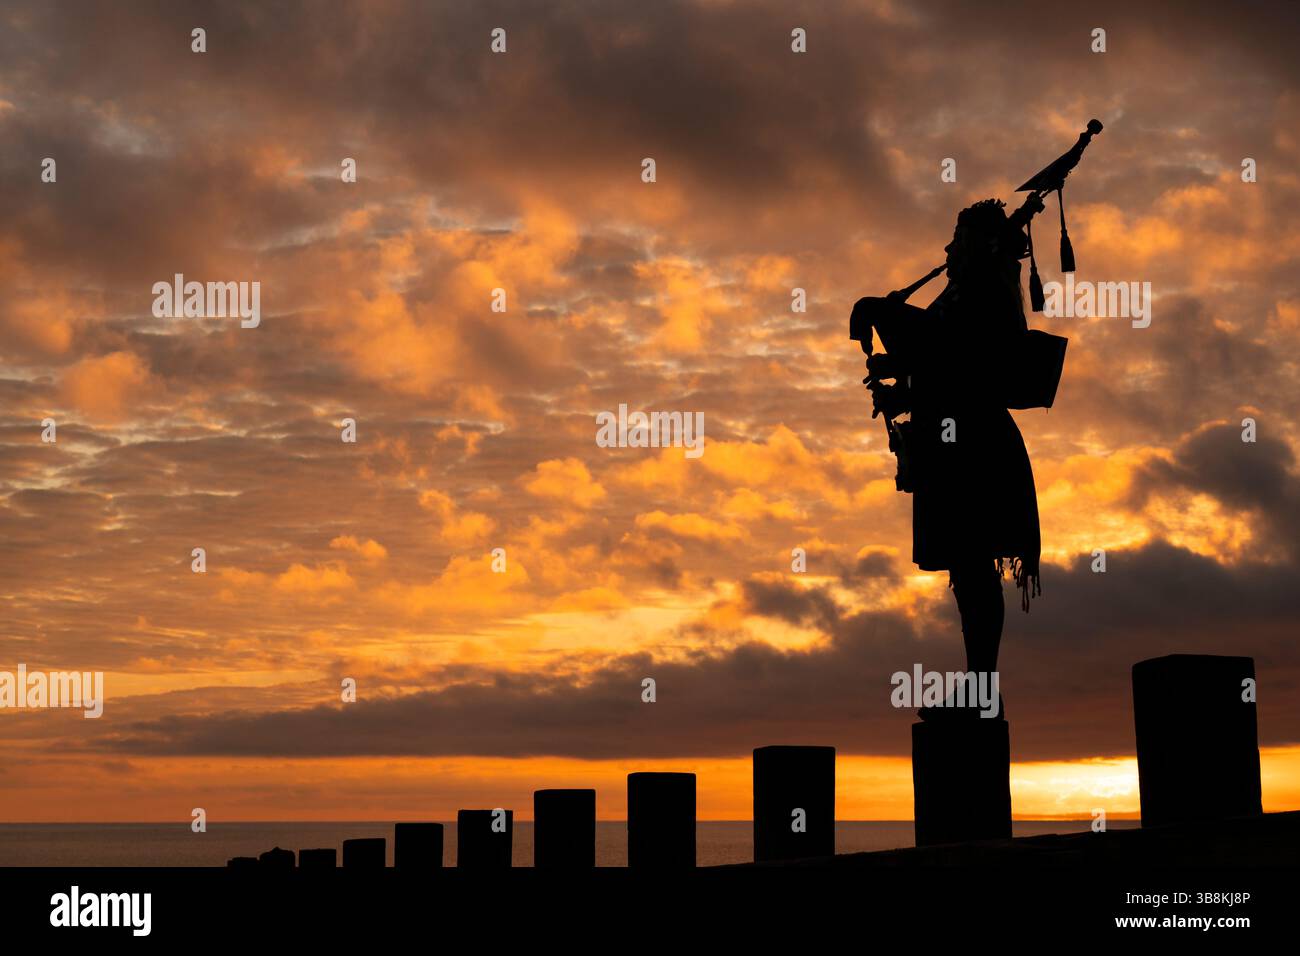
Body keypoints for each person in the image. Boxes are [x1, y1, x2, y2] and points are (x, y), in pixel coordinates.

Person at [855, 198, 1043, 719]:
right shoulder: (962, 294)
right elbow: (942, 365)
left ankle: (982, 689)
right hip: (954, 443)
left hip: (976, 446)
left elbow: (959, 360)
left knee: (975, 564)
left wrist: (885, 313)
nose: (946, 248)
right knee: (967, 567)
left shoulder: (989, 297)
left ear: (977, 246)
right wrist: (902, 393)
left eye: (956, 239)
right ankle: (979, 687)